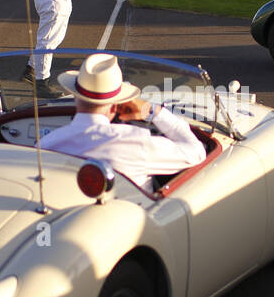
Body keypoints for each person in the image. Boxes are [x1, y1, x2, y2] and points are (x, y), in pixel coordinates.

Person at [40, 53, 207, 192]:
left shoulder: (45, 146)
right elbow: (196, 153)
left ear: (76, 96)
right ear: (116, 105)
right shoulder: (135, 142)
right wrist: (151, 110)